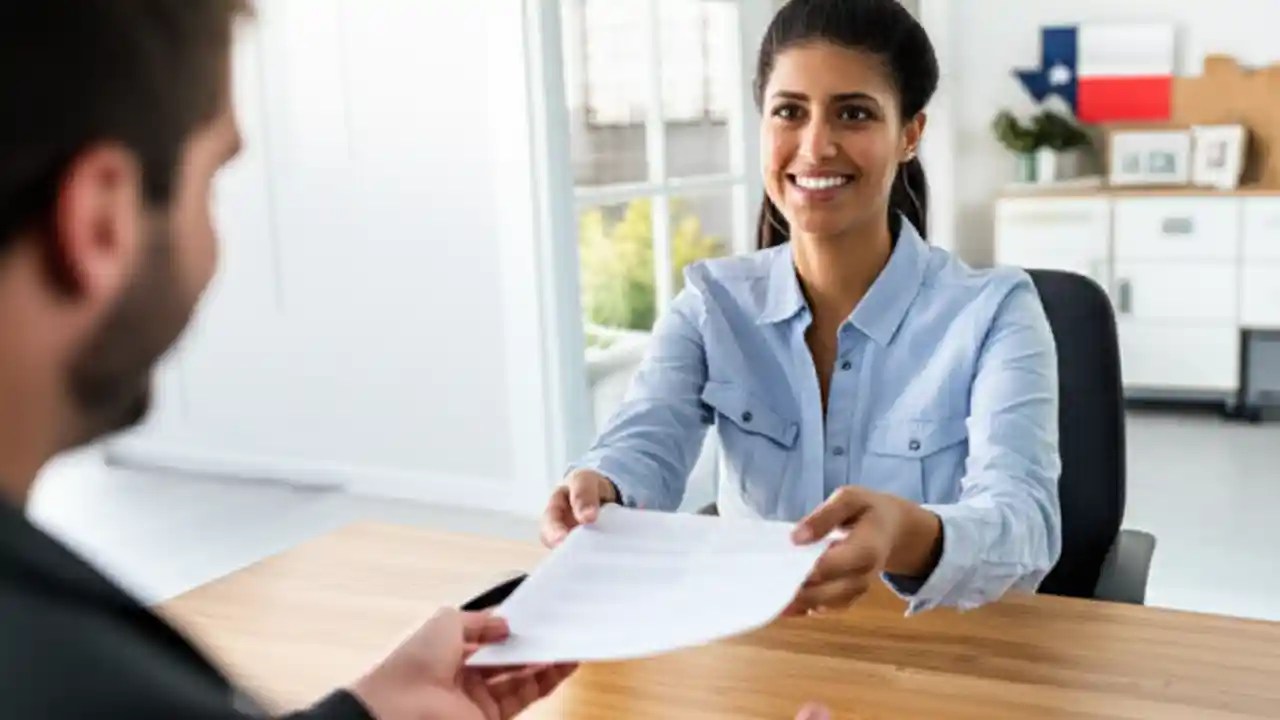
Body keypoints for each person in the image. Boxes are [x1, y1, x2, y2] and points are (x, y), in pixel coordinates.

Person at [0, 2, 575, 718]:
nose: (214, 247)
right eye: (210, 183)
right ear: (99, 222)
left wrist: (369, 712)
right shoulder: (79, 678)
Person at [543, 0, 1062, 617]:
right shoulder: (711, 304)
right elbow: (643, 444)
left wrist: (903, 533)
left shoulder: (995, 312)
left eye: (854, 113)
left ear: (909, 136)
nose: (815, 146)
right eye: (790, 111)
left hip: (933, 661)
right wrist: (600, 488)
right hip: (760, 651)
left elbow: (1025, 525)